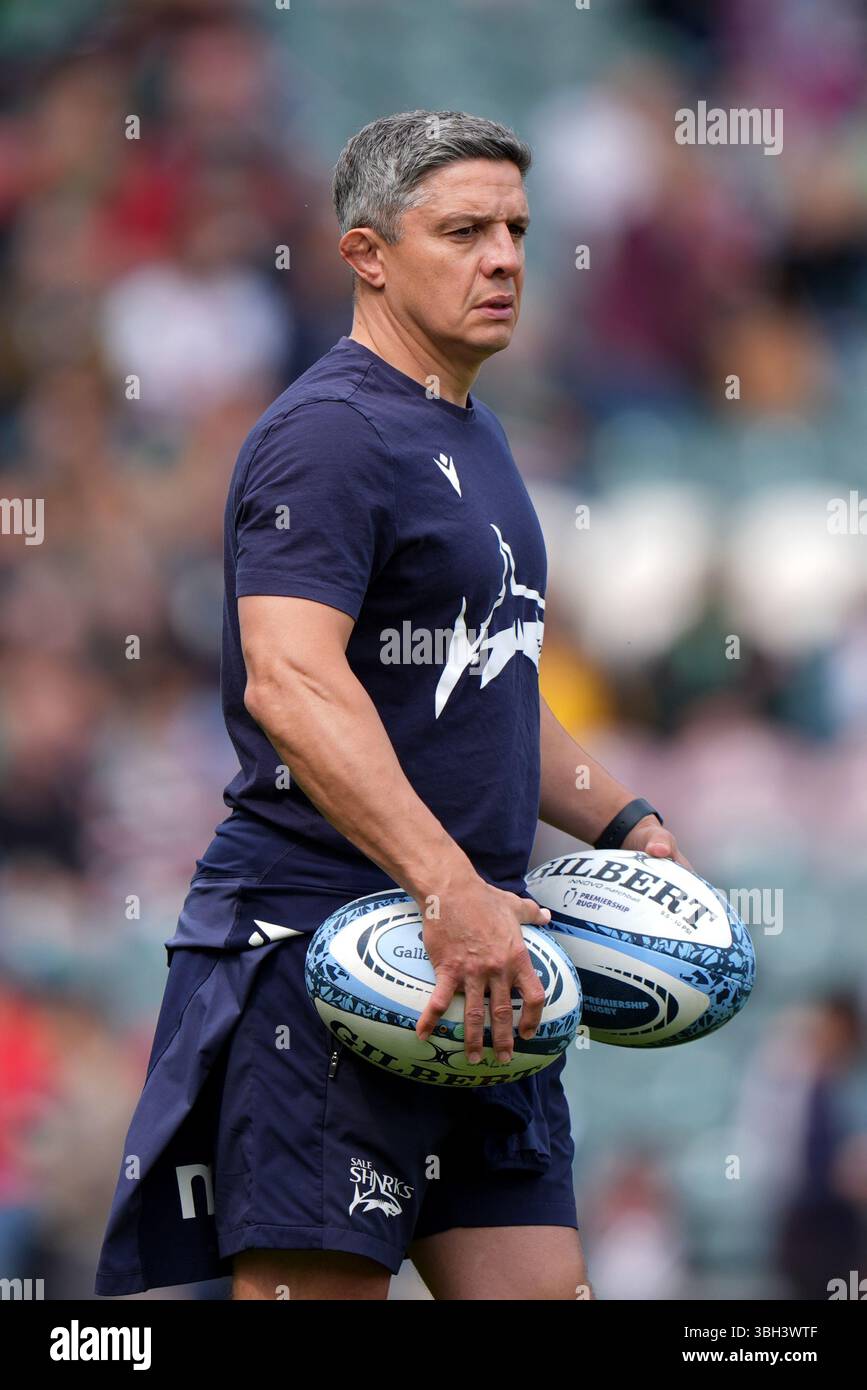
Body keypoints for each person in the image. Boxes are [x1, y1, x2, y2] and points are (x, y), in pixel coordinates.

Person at [95, 109, 688, 1303]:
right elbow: (291, 683)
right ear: (367, 254)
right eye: (464, 230)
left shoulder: (476, 434)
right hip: (330, 950)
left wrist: (629, 826)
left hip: (483, 960)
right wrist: (448, 883)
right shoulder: (327, 435)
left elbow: (494, 686)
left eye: (517, 228)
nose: (506, 257)